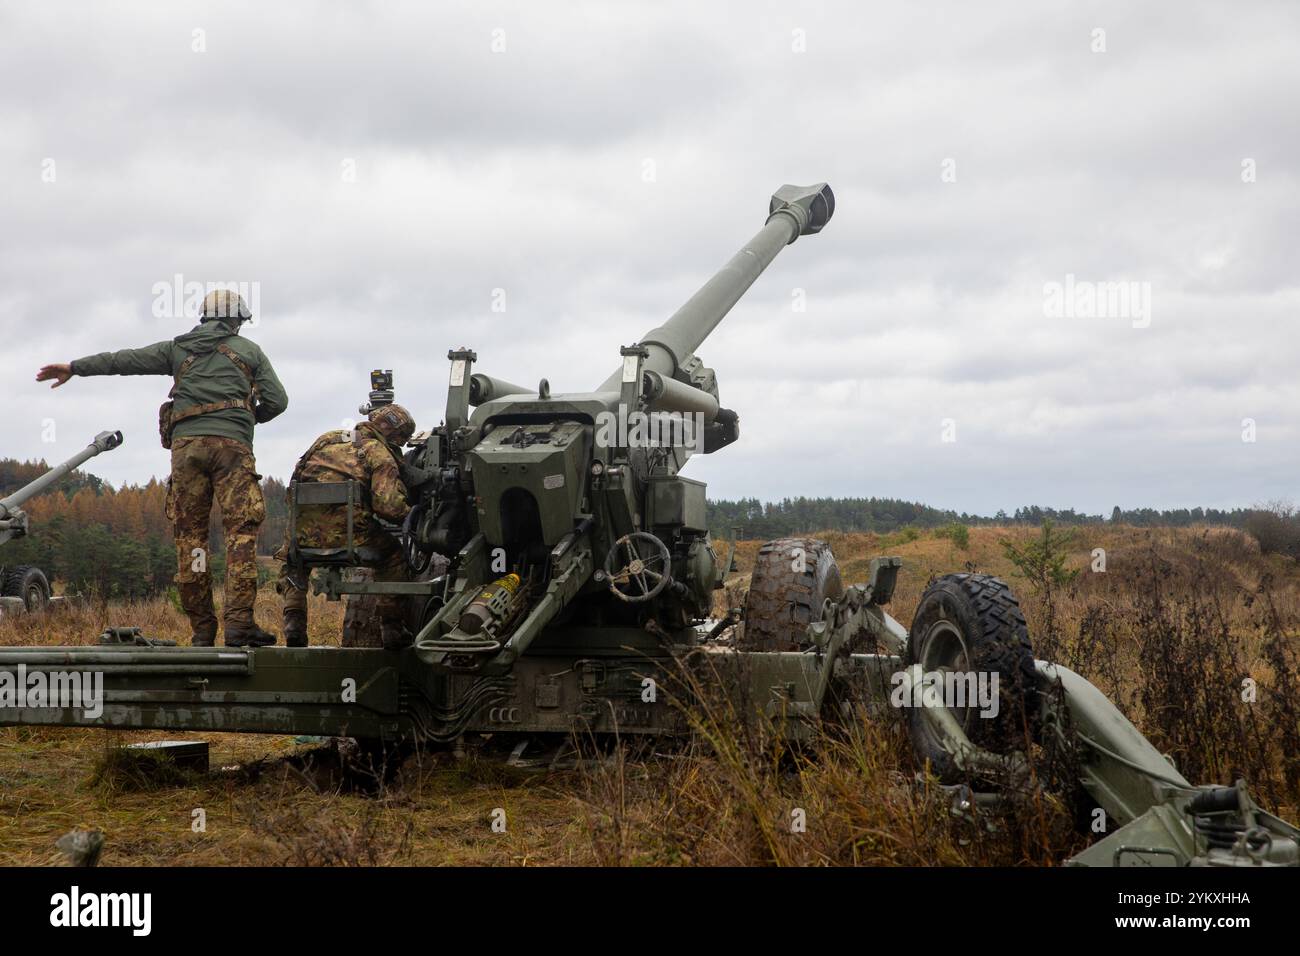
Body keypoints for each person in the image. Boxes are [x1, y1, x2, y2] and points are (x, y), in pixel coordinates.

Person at [36, 290, 288, 647]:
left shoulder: (176, 349)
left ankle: (202, 631)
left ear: (204, 317)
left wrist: (75, 367)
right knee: (240, 538)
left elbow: (123, 360)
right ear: (235, 321)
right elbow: (278, 401)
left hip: (186, 454)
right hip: (232, 451)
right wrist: (245, 420)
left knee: (192, 542)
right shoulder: (249, 351)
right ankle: (239, 627)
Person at [276, 404, 416, 648]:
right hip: (352, 538)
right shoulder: (379, 453)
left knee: (294, 561)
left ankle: (293, 624)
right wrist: (411, 516)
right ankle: (392, 628)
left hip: (302, 535)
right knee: (394, 556)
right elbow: (388, 507)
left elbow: (292, 488)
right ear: (395, 436)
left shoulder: (324, 441)